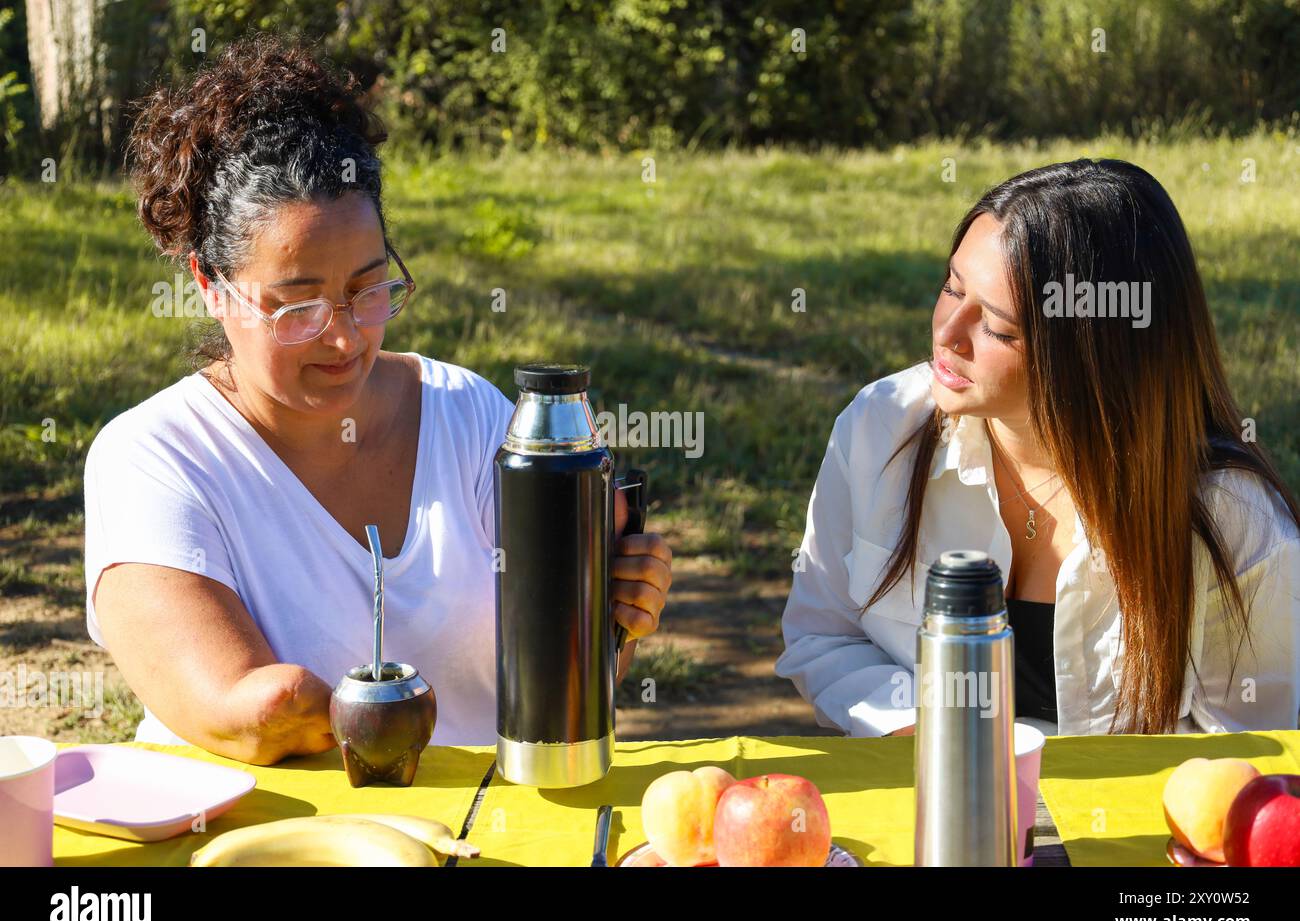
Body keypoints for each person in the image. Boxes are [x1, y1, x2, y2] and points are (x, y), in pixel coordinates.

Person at [83, 36, 672, 765]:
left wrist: (606, 619)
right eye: (297, 306)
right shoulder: (154, 457)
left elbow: (571, 690)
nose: (343, 338)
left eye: (368, 289)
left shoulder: (469, 416)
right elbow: (246, 715)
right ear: (209, 283)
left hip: (485, 835)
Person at [777, 159, 1300, 738]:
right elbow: (824, 635)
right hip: (936, 805)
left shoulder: (1232, 518)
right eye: (951, 288)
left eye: (998, 329)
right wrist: (921, 734)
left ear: (1094, 355)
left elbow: (1250, 755)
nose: (947, 333)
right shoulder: (880, 429)